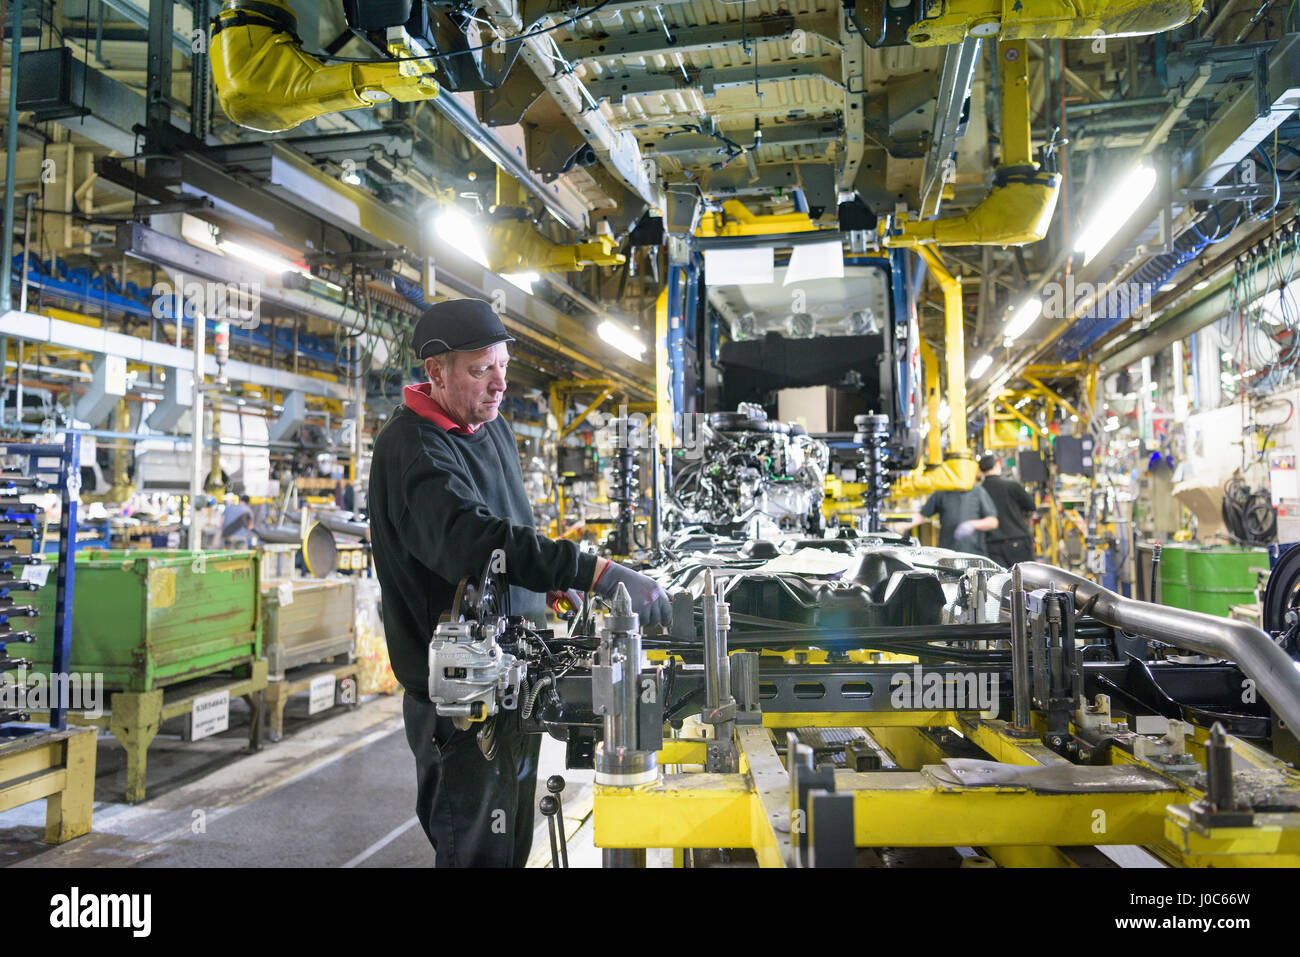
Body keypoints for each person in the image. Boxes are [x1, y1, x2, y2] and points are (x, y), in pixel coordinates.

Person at [368, 298, 671, 868]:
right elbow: (472, 541)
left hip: (514, 682)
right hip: (461, 704)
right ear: (436, 372)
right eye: (481, 369)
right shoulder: (412, 449)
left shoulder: (491, 427)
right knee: (476, 851)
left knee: (512, 846)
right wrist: (595, 571)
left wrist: (544, 587)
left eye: (503, 366)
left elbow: (511, 528)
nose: (499, 384)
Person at [893, 482, 999, 555]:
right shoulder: (941, 492)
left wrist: (972, 524)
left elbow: (993, 522)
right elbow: (920, 516)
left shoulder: (978, 491)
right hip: (947, 553)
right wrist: (896, 526)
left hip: (974, 553)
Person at [978, 452, 1037, 567]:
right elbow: (1031, 506)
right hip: (1017, 541)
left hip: (992, 545)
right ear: (997, 465)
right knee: (1023, 576)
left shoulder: (979, 490)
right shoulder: (1012, 486)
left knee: (999, 578)